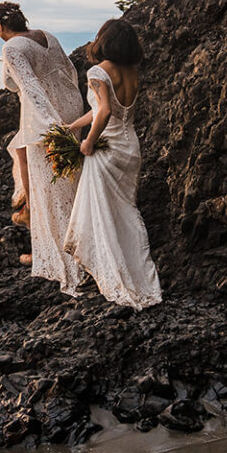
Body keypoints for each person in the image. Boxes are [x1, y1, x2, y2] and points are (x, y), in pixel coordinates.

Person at [63, 18, 162, 309]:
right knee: (124, 211)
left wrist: (88, 142)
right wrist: (71, 127)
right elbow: (103, 112)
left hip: (107, 148)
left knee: (104, 212)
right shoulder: (131, 72)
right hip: (129, 147)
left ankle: (115, 273)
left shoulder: (97, 71)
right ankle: (140, 275)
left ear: (104, 40)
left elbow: (104, 112)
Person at [0, 1, 85, 294]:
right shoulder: (46, 35)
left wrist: (54, 128)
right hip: (72, 105)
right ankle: (63, 242)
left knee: (52, 187)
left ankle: (62, 257)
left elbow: (31, 89)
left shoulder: (12, 48)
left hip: (46, 117)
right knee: (69, 181)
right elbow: (70, 71)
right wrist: (72, 112)